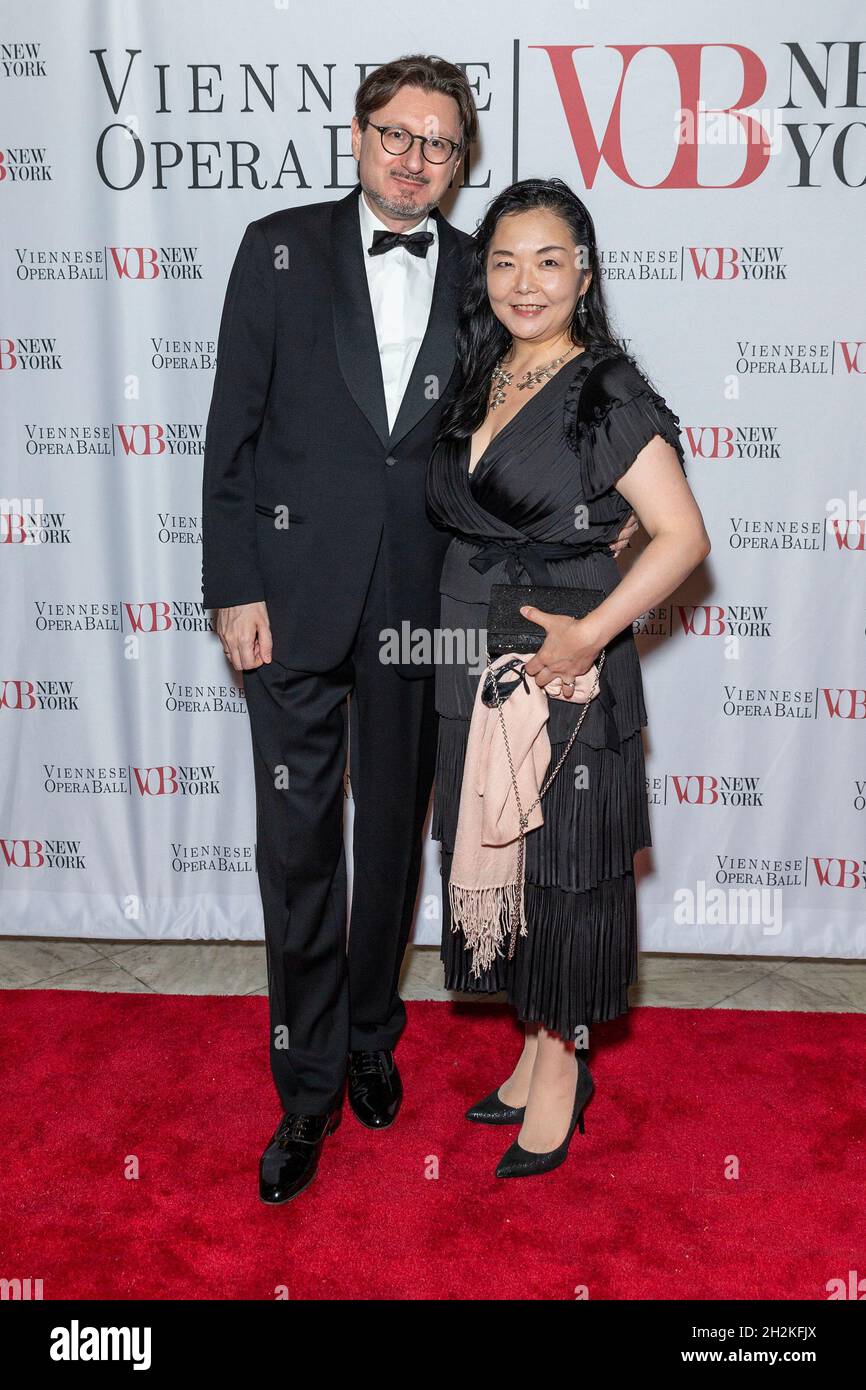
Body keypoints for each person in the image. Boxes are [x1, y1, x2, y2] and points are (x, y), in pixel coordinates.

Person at [202, 56, 636, 1205]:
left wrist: (600, 542)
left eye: (437, 142)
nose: (412, 156)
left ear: (460, 162)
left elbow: (544, 411)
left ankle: (367, 1036)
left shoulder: (480, 274)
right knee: (296, 851)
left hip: (422, 608)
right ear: (356, 135)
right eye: (394, 133)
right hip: (288, 603)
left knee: (394, 839)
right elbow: (227, 440)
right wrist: (232, 585)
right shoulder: (277, 248)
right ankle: (303, 1092)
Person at [426, 177, 711, 1178]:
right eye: (503, 261)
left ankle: (560, 1067)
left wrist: (587, 634)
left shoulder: (603, 387)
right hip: (470, 658)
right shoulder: (477, 370)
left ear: (582, 272)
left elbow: (681, 537)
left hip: (561, 671)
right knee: (497, 861)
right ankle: (527, 1040)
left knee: (563, 875)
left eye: (548, 259)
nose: (523, 281)